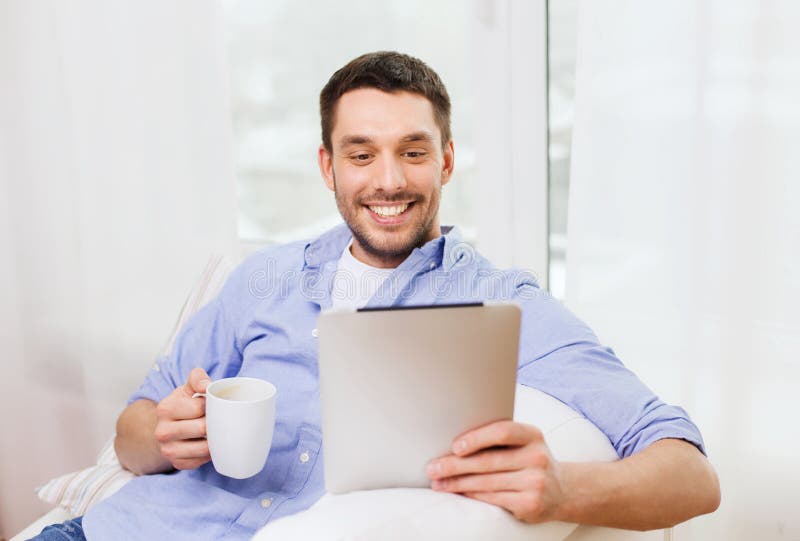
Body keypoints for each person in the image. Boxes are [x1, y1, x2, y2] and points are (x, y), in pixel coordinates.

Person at [32, 51, 720, 540]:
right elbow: (130, 433)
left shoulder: (500, 301)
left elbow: (691, 476)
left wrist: (565, 489)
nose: (388, 180)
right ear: (328, 165)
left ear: (447, 160)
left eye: (413, 151)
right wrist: (161, 433)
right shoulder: (262, 278)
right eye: (361, 154)